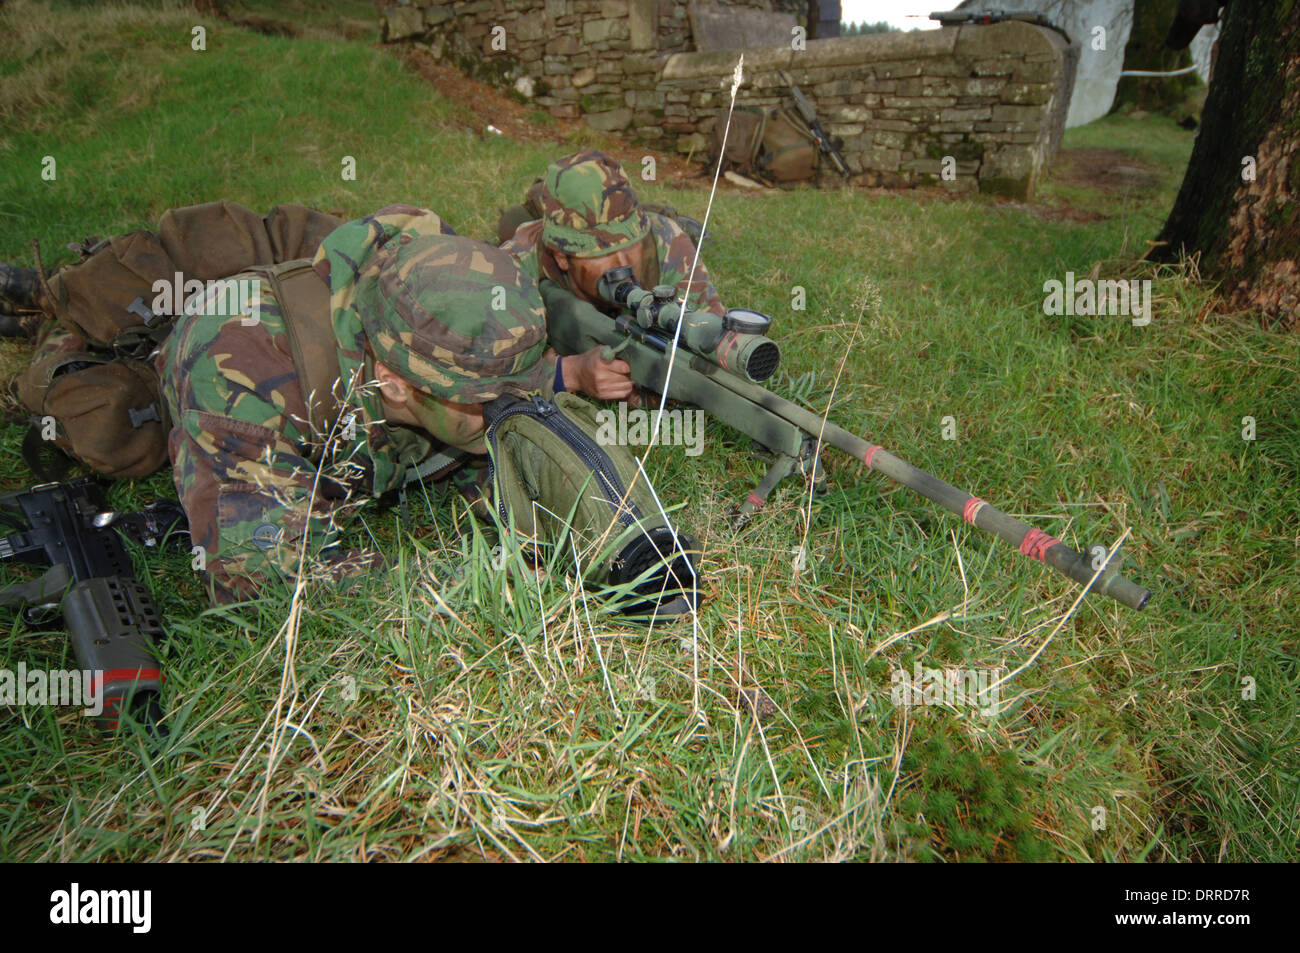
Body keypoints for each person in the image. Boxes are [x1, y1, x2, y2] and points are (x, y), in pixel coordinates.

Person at [500, 149, 726, 334]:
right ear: (561, 257)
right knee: (512, 219)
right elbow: (488, 358)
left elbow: (709, 326)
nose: (623, 265)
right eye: (602, 252)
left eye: (631, 244)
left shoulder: (666, 240)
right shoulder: (517, 263)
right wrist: (563, 370)